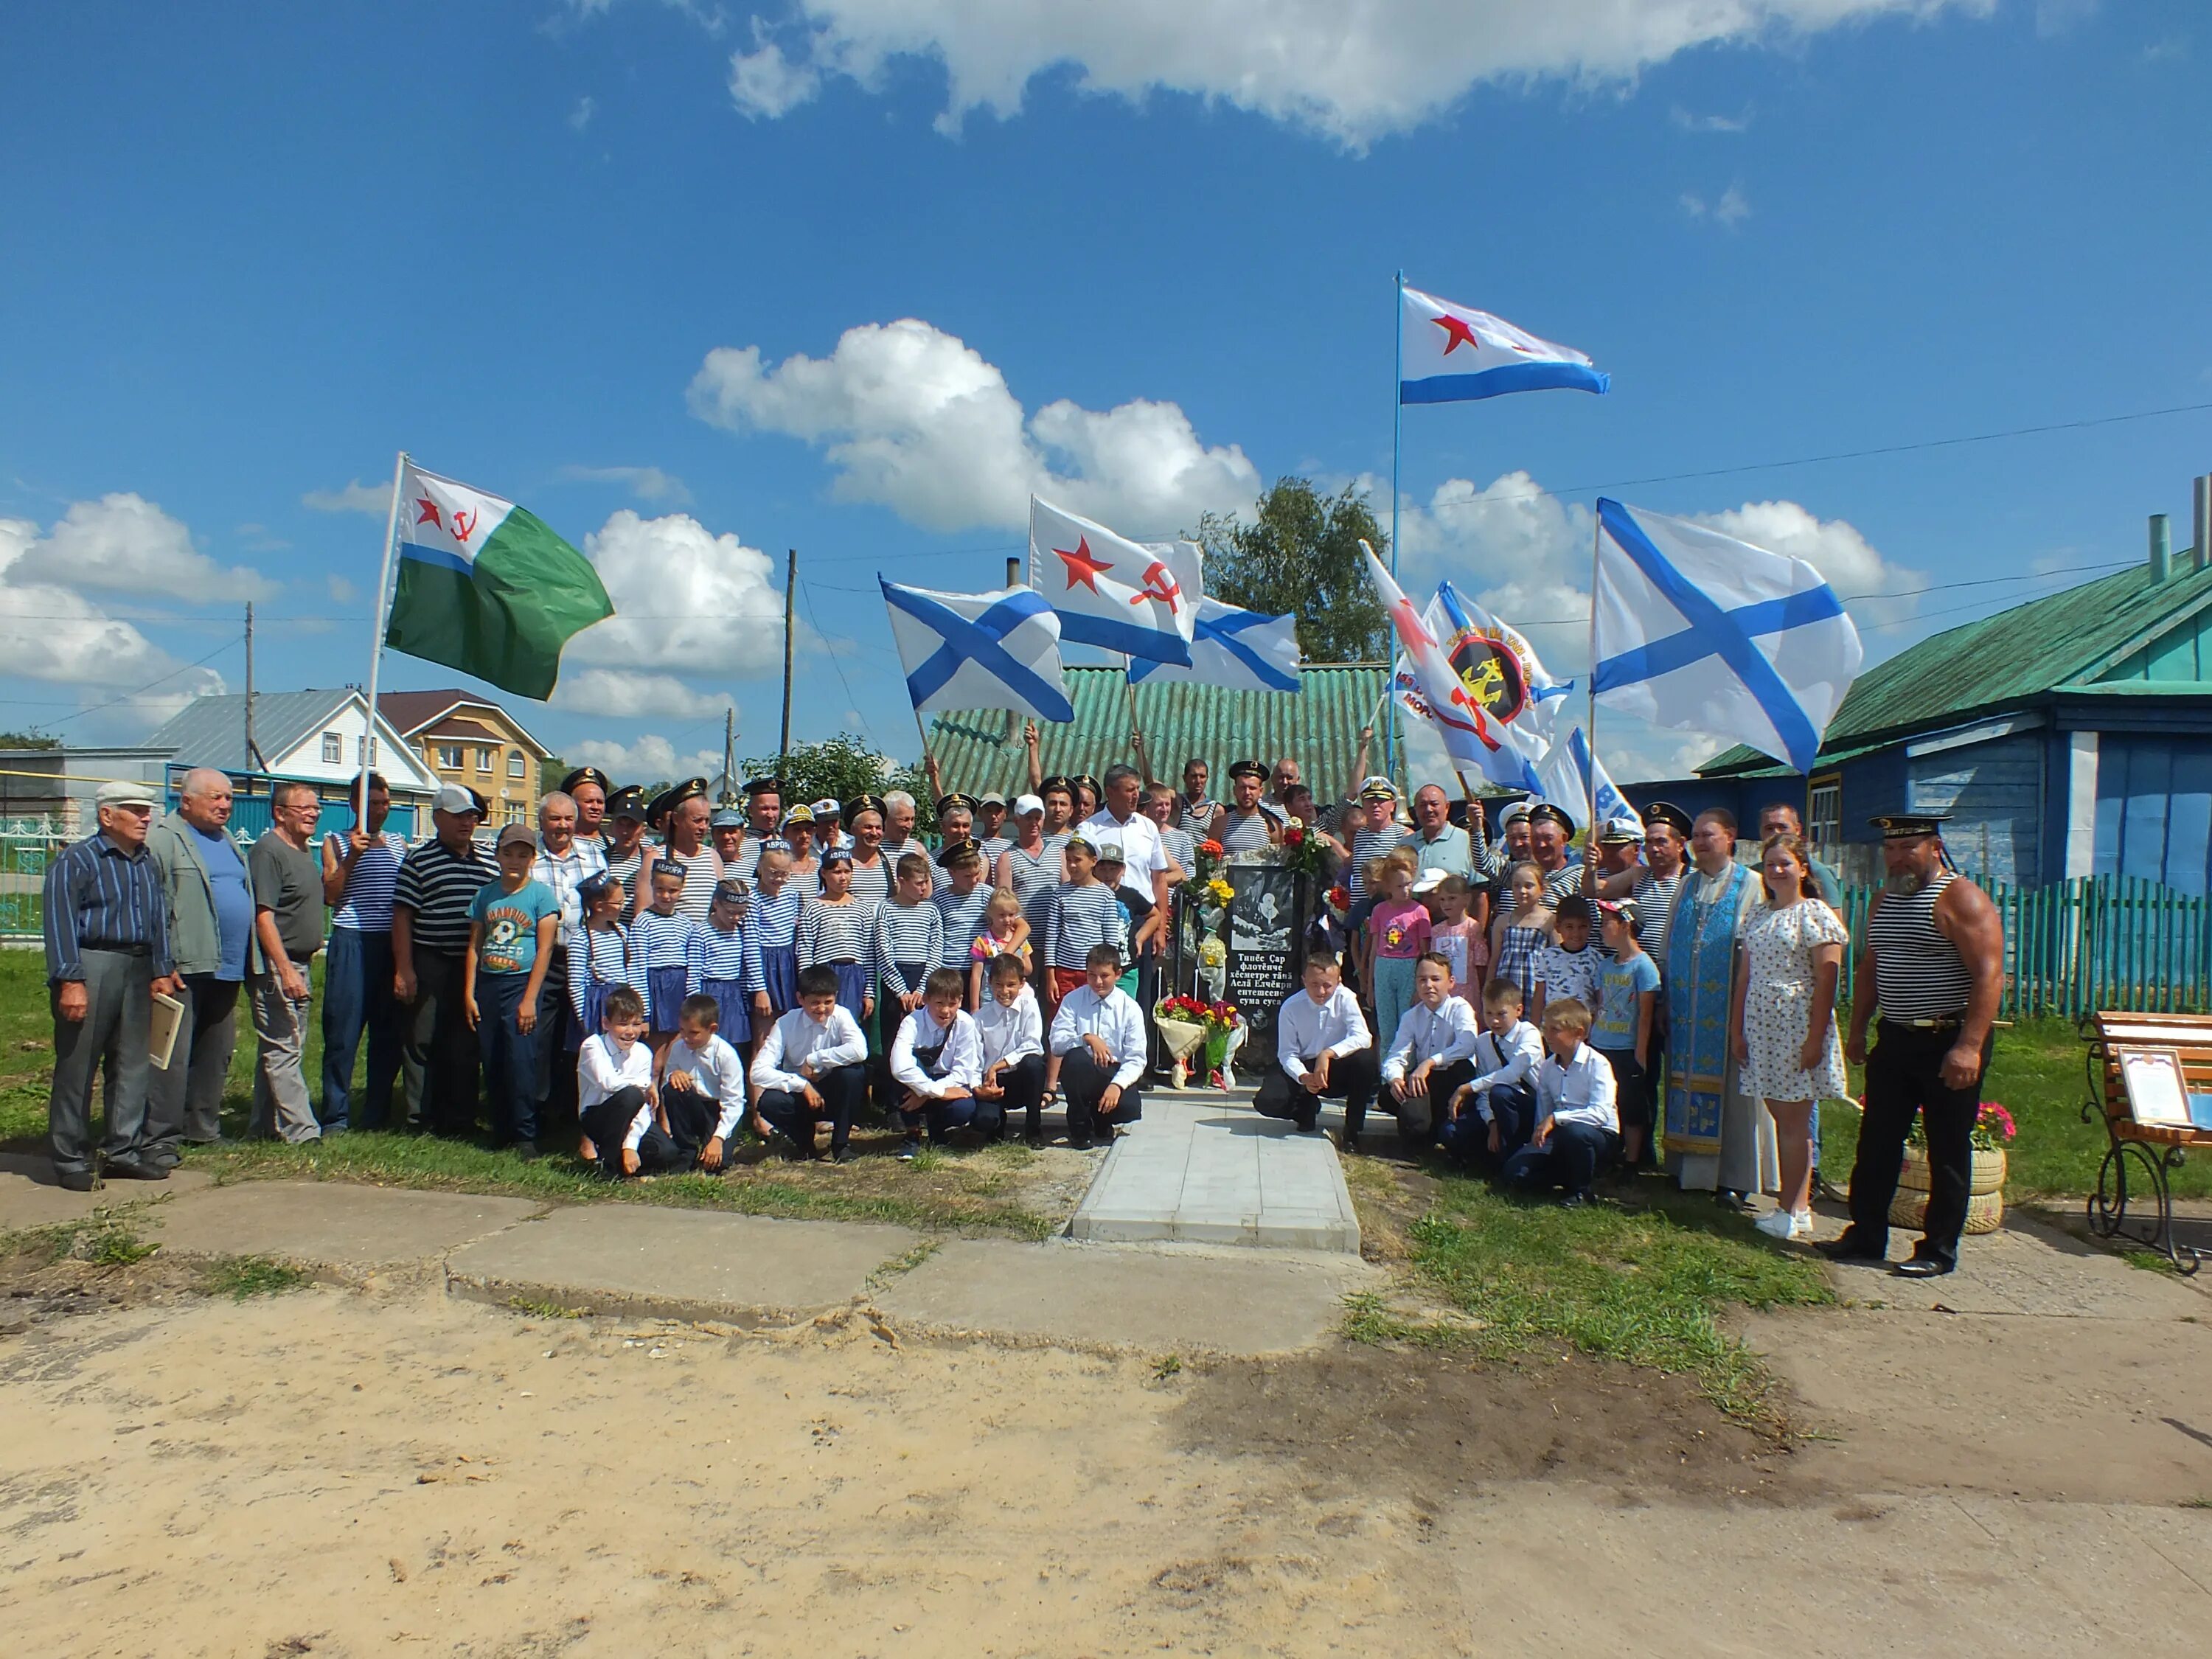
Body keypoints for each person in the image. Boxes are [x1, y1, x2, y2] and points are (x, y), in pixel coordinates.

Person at [1822, 813, 2004, 1279]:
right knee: (1877, 1141)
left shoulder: (1960, 898)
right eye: (1891, 849)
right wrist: (1859, 1028)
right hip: (1897, 1035)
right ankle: (1865, 1234)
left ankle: (1937, 1250)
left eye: (1909, 849)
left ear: (1935, 847)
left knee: (1947, 1148)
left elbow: (1989, 974)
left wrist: (1969, 1046)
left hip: (1948, 1039)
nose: (1898, 858)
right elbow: (1870, 967)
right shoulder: (1886, 899)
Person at [42, 779, 182, 1188]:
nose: (146, 817)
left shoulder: (146, 861)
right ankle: (69, 1157)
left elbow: (157, 918)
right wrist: (71, 980)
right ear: (107, 815)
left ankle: (122, 1150)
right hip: (93, 962)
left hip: (138, 967)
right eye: (135, 810)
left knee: (133, 1062)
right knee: (78, 1064)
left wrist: (161, 969)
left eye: (148, 810)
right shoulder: (78, 860)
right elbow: (60, 923)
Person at [1733, 833, 1850, 1242]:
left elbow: (1827, 977)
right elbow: (1745, 976)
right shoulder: (1758, 915)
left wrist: (1815, 1038)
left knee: (1794, 1121)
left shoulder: (1814, 913)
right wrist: (1737, 1030)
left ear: (1802, 868)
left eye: (1785, 863)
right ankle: (1798, 1207)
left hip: (1796, 1024)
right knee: (1781, 1115)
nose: (1777, 871)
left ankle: (1790, 1208)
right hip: (1761, 1025)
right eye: (1770, 865)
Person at [1664, 807, 1773, 1206]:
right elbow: (1668, 940)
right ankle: (1686, 1168)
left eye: (1708, 834)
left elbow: (1755, 946)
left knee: (1734, 1094)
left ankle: (1733, 1176)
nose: (1699, 842)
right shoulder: (1686, 885)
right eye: (1695, 835)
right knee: (1684, 1083)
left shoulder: (1751, 883)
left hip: (1729, 1007)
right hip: (1685, 1007)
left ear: (1730, 837)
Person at [145, 768, 251, 1162]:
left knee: (216, 1049)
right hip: (183, 966)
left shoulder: (225, 840)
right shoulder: (164, 839)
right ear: (186, 801)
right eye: (215, 797)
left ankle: (202, 1128)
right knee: (170, 1053)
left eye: (228, 798)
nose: (224, 805)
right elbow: (152, 905)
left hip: (227, 964)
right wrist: (161, 960)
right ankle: (160, 1136)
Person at [393, 784, 496, 1137]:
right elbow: (403, 916)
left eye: (471, 816)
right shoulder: (419, 860)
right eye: (458, 817)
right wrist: (405, 969)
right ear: (438, 818)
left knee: (465, 1041)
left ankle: (461, 1118)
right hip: (431, 958)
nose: (467, 823)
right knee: (423, 1039)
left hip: (472, 964)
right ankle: (419, 1117)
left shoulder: (488, 862)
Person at [318, 771, 407, 1133]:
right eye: (372, 803)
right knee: (343, 1032)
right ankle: (336, 1115)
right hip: (352, 939)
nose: (380, 809)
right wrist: (352, 856)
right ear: (355, 804)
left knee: (386, 1034)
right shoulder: (336, 841)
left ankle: (376, 1114)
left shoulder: (400, 844)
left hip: (389, 942)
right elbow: (330, 895)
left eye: (385, 803)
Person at [465, 823, 560, 1154]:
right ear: (498, 856)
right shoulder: (485, 895)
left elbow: (546, 949)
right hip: (490, 983)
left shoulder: (541, 897)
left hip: (521, 984)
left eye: (523, 854)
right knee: (493, 1059)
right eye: (508, 853)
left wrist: (530, 999)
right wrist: (469, 992)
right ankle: (500, 1128)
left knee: (521, 1061)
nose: (515, 861)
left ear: (533, 859)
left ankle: (525, 1133)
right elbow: (475, 946)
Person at [248, 779, 327, 1144]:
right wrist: (283, 970)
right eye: (304, 808)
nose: (313, 814)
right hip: (280, 966)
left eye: (316, 808)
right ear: (280, 813)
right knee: (284, 1047)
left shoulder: (303, 850)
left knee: (280, 1048)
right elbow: (264, 917)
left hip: (302, 963)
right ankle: (303, 1130)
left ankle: (264, 1126)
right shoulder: (269, 852)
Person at [531, 788, 606, 1136]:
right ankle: (541, 1114)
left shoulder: (594, 856)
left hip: (582, 957)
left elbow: (603, 906)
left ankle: (576, 1112)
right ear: (541, 821)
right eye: (554, 819)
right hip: (541, 958)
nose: (562, 826)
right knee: (541, 1038)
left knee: (580, 1036)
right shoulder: (530, 856)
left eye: (568, 819)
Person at [1502, 998, 1619, 1206]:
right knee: (1514, 1174)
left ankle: (1581, 1190)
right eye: (1545, 1028)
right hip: (1559, 1133)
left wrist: (1557, 1119)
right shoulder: (1548, 1067)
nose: (1547, 1035)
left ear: (1579, 1033)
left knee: (1575, 1133)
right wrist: (1539, 1137)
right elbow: (1544, 1107)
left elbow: (1600, 1114)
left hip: (1596, 1133)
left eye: (1555, 1029)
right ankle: (1565, 1174)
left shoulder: (1598, 1065)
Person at [750, 964, 869, 1164]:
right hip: (800, 1093)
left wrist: (815, 1059)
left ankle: (841, 1145)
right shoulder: (786, 1023)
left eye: (828, 1002)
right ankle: (804, 1144)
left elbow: (860, 1050)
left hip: (832, 1091)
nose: (822, 1009)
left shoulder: (842, 1015)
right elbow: (758, 1072)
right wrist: (801, 1084)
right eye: (815, 1003)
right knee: (769, 1103)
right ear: (800, 999)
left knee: (854, 1074)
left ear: (836, 997)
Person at [1255, 950, 1376, 1145]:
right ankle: (1305, 1109)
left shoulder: (1346, 998)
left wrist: (1328, 1054)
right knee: (1268, 1101)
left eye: (1327, 985)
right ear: (1304, 980)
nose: (1321, 992)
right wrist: (1304, 1077)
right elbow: (1287, 1054)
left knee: (1366, 1061)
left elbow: (1363, 1037)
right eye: (1314, 985)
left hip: (1336, 1068)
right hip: (1304, 1066)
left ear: (1338, 982)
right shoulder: (1291, 1007)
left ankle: (1353, 1130)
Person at [1046, 943, 1147, 1150]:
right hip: (1082, 1069)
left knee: (1130, 1109)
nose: (1097, 982)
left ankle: (1101, 1119)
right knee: (1075, 1059)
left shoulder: (1130, 1008)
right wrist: (1086, 1038)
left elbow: (1136, 1057)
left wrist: (1117, 1085)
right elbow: (1056, 1042)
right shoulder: (1073, 1000)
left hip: (1113, 1071)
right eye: (1091, 975)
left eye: (1104, 975)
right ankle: (1079, 1128)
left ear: (1118, 974)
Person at [575, 986, 680, 1179]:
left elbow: (641, 1109)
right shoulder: (592, 1046)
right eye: (623, 1024)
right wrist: (645, 1084)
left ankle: (625, 1162)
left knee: (668, 1153)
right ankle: (609, 1164)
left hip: (631, 1118)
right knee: (631, 1094)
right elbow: (609, 1083)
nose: (630, 1032)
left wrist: (630, 1145)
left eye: (636, 1024)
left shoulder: (643, 1052)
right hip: (597, 1116)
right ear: (606, 1023)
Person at [1440, 980, 1544, 1169]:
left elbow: (1512, 1073)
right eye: (1489, 1013)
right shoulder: (1483, 1042)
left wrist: (1468, 1087)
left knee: (1501, 1093)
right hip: (1496, 1108)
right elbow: (1484, 1093)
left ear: (1518, 1010)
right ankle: (1488, 1156)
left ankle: (1511, 1155)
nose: (1494, 1021)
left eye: (1501, 1014)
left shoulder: (1529, 1034)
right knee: (1450, 1131)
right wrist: (1492, 1122)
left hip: (1528, 1107)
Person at [1380, 953, 1478, 1150]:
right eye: (1422, 980)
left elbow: (1468, 1044)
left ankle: (1440, 1125)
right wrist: (1395, 1079)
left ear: (1451, 982)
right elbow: (1396, 1055)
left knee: (1461, 1071)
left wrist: (1430, 1062)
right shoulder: (1411, 1016)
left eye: (1436, 979)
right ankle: (1424, 1127)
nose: (1428, 985)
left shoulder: (1460, 1008)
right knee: (1389, 1096)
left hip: (1454, 1078)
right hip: (1427, 1080)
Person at [1592, 899, 1661, 1169]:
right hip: (1601, 1043)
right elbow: (1600, 1004)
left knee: (1631, 1105)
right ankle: (1607, 1156)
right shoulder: (1605, 965)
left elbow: (1646, 1016)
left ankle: (1633, 1161)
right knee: (1605, 1100)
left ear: (1625, 925)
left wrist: (1641, 1053)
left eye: (1606, 922)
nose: (1601, 928)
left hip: (1626, 1047)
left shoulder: (1644, 967)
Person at [889, 966, 982, 1159]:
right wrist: (933, 1091)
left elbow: (963, 1072)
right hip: (919, 1083)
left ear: (961, 1001)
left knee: (964, 1108)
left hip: (944, 1081)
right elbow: (899, 1066)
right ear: (926, 1000)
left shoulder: (966, 1024)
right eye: (939, 1003)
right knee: (902, 1076)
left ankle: (937, 1129)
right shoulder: (912, 1022)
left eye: (952, 1003)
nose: (946, 1011)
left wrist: (927, 1094)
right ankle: (912, 1134)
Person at [658, 992, 749, 1171]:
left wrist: (718, 1138)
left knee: (717, 1163)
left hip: (719, 1110)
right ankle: (687, 1150)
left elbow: (734, 1102)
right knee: (672, 1089)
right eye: (682, 1030)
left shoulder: (725, 1054)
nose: (686, 1037)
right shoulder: (678, 1048)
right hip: (694, 1106)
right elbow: (665, 1087)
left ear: (712, 1029)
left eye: (693, 1033)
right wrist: (672, 1076)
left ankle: (714, 1142)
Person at [796, 845, 877, 1029]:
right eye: (837, 872)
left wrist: (869, 992)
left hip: (854, 974)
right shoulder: (813, 907)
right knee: (823, 1024)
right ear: (824, 873)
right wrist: (808, 984)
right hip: (824, 972)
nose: (843, 877)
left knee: (848, 1025)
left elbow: (868, 953)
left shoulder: (862, 908)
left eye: (847, 871)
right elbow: (805, 949)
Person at [1043, 831, 1127, 1008]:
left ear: (1093, 861)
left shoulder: (1105, 895)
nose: (1072, 865)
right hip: (1064, 971)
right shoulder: (1060, 894)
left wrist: (1107, 972)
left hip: (1094, 973)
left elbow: (1110, 938)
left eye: (1078, 860)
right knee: (1063, 1015)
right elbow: (1052, 937)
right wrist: (1051, 976)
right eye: (1068, 860)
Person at [1363, 850, 1431, 1054]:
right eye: (1400, 886)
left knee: (1407, 1023)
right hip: (1384, 967)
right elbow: (1375, 947)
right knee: (1386, 1026)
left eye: (1409, 884)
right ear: (1389, 887)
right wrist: (1369, 984)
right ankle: (1387, 1077)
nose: (1405, 890)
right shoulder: (1380, 910)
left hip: (1409, 966)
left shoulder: (1420, 911)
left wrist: (1421, 984)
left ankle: (1407, 1073)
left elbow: (1425, 951)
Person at [975, 953, 1046, 1144]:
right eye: (998, 984)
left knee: (1034, 1063)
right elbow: (975, 1057)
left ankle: (1033, 1128)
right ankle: (997, 1122)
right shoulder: (980, 1017)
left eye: (1011, 985)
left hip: (1020, 1079)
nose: (1004, 991)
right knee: (984, 1121)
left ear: (1022, 983)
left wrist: (997, 1065)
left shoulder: (1029, 1004)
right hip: (994, 1083)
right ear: (990, 982)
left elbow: (1033, 1044)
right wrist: (981, 1084)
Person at [630, 861, 699, 1046]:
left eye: (673, 890)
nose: (665, 896)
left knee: (678, 1045)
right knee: (657, 1052)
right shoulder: (643, 921)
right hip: (656, 986)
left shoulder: (686, 923)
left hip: (679, 985)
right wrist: (642, 1010)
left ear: (682, 888)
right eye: (660, 889)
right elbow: (637, 966)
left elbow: (693, 964)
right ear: (651, 884)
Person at [566, 871, 639, 1043]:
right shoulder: (581, 938)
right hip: (598, 1004)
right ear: (599, 906)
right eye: (618, 902)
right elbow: (576, 984)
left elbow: (630, 969)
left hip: (622, 999)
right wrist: (585, 1019)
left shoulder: (621, 932)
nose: (623, 906)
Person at [686, 877, 754, 1052]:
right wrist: (694, 1008)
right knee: (709, 1044)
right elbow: (694, 973)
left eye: (741, 913)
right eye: (731, 912)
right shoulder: (701, 932)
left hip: (734, 993)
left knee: (734, 1047)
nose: (736, 918)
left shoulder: (741, 931)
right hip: (711, 992)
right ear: (716, 904)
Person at [745, 845, 804, 1023]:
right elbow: (750, 944)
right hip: (765, 962)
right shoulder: (752, 899)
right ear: (759, 868)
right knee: (765, 1026)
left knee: (788, 1023)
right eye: (773, 873)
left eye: (785, 873)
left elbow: (797, 932)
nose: (779, 878)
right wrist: (759, 989)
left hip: (788, 962)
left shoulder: (792, 895)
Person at [931, 839, 994, 1003]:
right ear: (951, 872)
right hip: (950, 969)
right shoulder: (939, 899)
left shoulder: (987, 894)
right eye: (967, 876)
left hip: (981, 969)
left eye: (977, 874)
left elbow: (1017, 924)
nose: (974, 880)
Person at [1531, 894, 1602, 1026]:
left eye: (1582, 926)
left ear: (1590, 926)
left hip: (1582, 1030)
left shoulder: (1597, 959)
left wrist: (1594, 1032)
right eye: (1569, 927)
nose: (1576, 933)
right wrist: (1535, 1031)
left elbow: (1600, 1000)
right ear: (1558, 927)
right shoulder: (1546, 957)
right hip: (1553, 1028)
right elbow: (1539, 997)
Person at [1489, 860, 1554, 1004]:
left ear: (1542, 889)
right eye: (1516, 886)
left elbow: (1556, 961)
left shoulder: (1550, 921)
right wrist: (1488, 990)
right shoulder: (1502, 921)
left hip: (1536, 988)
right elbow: (1495, 960)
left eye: (1528, 886)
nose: (1522, 891)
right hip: (1506, 986)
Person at [1756, 801, 1843, 910]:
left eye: (1782, 827)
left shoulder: (1818, 872)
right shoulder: (1753, 873)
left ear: (1797, 829)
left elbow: (1834, 920)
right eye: (1769, 828)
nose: (1776, 833)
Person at [658, 779, 723, 920]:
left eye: (706, 821)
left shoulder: (713, 857)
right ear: (676, 819)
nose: (703, 827)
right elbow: (643, 911)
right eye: (697, 820)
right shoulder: (657, 858)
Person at [1424, 872, 1487, 1004]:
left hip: (1467, 993)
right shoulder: (1436, 930)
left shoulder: (1473, 928)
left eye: (1452, 898)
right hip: (1443, 993)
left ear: (1466, 899)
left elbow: (1481, 964)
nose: (1446, 904)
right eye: (1442, 899)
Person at [600, 785, 657, 922]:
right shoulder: (600, 860)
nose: (625, 832)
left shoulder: (650, 861)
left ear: (643, 830)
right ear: (611, 827)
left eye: (632, 825)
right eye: (621, 824)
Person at [969, 887, 1032, 1007]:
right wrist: (975, 1007)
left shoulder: (1020, 941)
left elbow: (1028, 970)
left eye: (1011, 915)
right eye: (1002, 915)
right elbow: (976, 976)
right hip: (990, 999)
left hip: (1016, 999)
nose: (1007, 920)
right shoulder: (983, 941)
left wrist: (1015, 958)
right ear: (991, 914)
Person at [1207, 758, 1282, 854]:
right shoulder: (1219, 825)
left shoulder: (1274, 827)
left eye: (1252, 788)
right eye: (1243, 787)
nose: (1247, 793)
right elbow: (1210, 862)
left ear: (1261, 791)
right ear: (1234, 790)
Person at [1409, 783, 1477, 879]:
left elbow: (1480, 890)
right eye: (1423, 805)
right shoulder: (1405, 844)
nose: (1429, 809)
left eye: (1434, 804)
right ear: (1415, 809)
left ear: (1447, 807)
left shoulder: (1468, 841)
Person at [1525, 803, 1583, 905]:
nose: (1541, 845)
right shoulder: (1521, 875)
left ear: (1564, 839)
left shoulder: (1581, 877)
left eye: (1548, 838)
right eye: (1535, 838)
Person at [1143, 782, 1196, 886]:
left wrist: (1151, 882)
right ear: (1147, 806)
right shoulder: (1138, 833)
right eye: (1159, 805)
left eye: (1167, 804)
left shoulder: (1182, 839)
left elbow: (1188, 878)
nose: (1165, 809)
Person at [844, 794, 894, 906]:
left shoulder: (892, 865)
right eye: (868, 827)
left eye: (878, 828)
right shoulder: (842, 863)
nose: (874, 833)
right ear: (853, 829)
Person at [559, 766, 611, 854]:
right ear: (572, 804)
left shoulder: (616, 847)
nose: (596, 807)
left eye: (600, 802)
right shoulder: (557, 843)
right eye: (588, 801)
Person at [1175, 757, 1217, 836]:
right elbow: (1154, 787)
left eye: (1202, 776)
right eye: (1193, 776)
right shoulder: (1178, 802)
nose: (1198, 781)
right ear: (1185, 778)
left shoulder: (1215, 809)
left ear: (1207, 778)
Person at [975, 791, 1012, 862]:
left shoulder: (1011, 848)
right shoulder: (973, 842)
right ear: (980, 814)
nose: (993, 816)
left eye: (998, 811)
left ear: (1006, 814)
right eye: (989, 811)